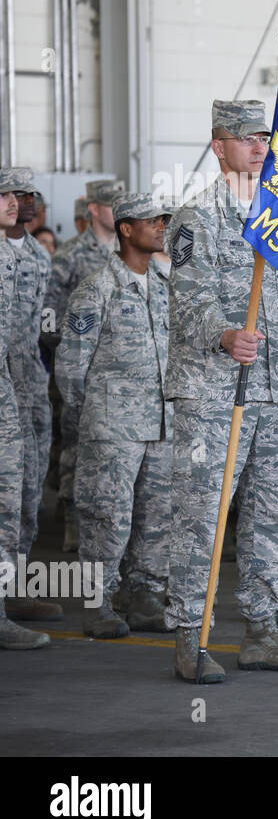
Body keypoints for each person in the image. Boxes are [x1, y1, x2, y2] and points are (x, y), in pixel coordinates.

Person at [164, 99, 278, 682]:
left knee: (275, 512)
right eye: (245, 137)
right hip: (212, 392)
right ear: (218, 146)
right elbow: (186, 304)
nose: (259, 145)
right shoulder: (195, 218)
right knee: (203, 514)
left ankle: (263, 630)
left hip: (276, 389)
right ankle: (189, 632)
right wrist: (224, 333)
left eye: (264, 136)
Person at [57, 192, 173, 637]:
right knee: (106, 514)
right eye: (152, 221)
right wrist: (94, 420)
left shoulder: (165, 286)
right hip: (111, 428)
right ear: (126, 228)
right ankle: (98, 600)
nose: (161, 227)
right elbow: (71, 366)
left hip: (160, 425)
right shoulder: (96, 288)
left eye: (164, 220)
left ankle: (143, 592)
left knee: (156, 513)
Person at [47, 177, 124, 556]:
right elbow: (47, 312)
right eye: (111, 203)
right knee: (76, 447)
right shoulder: (71, 255)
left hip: (122, 374)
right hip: (81, 368)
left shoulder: (129, 250)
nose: (117, 209)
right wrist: (72, 340)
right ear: (94, 209)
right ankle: (73, 521)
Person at [3, 170, 55, 622]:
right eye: (18, 193)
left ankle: (14, 586)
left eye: (31, 193)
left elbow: (45, 323)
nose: (28, 201)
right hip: (3, 386)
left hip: (30, 386)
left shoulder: (39, 256)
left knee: (28, 489)